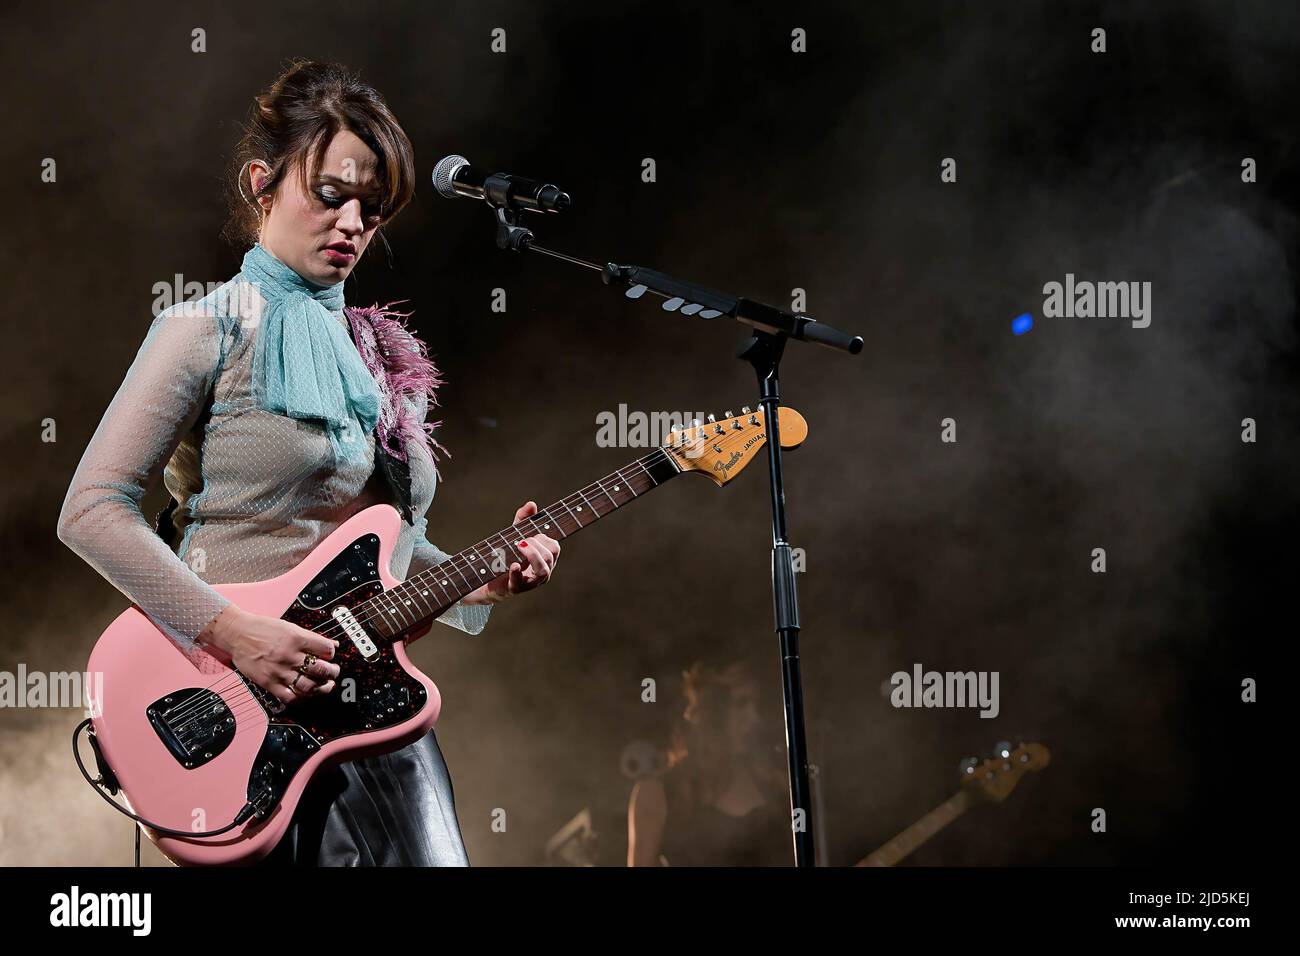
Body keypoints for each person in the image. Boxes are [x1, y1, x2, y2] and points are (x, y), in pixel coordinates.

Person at [56, 59, 559, 866]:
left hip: (367, 712)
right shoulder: (205, 326)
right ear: (263, 181)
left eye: (373, 206)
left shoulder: (381, 356)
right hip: (234, 711)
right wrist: (234, 632)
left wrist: (484, 575)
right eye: (332, 193)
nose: (353, 221)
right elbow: (90, 509)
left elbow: (377, 549)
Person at [627, 660, 792, 866]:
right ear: (712, 712)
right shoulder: (657, 792)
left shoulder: (773, 783)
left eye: (756, 705)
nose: (754, 718)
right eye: (741, 704)